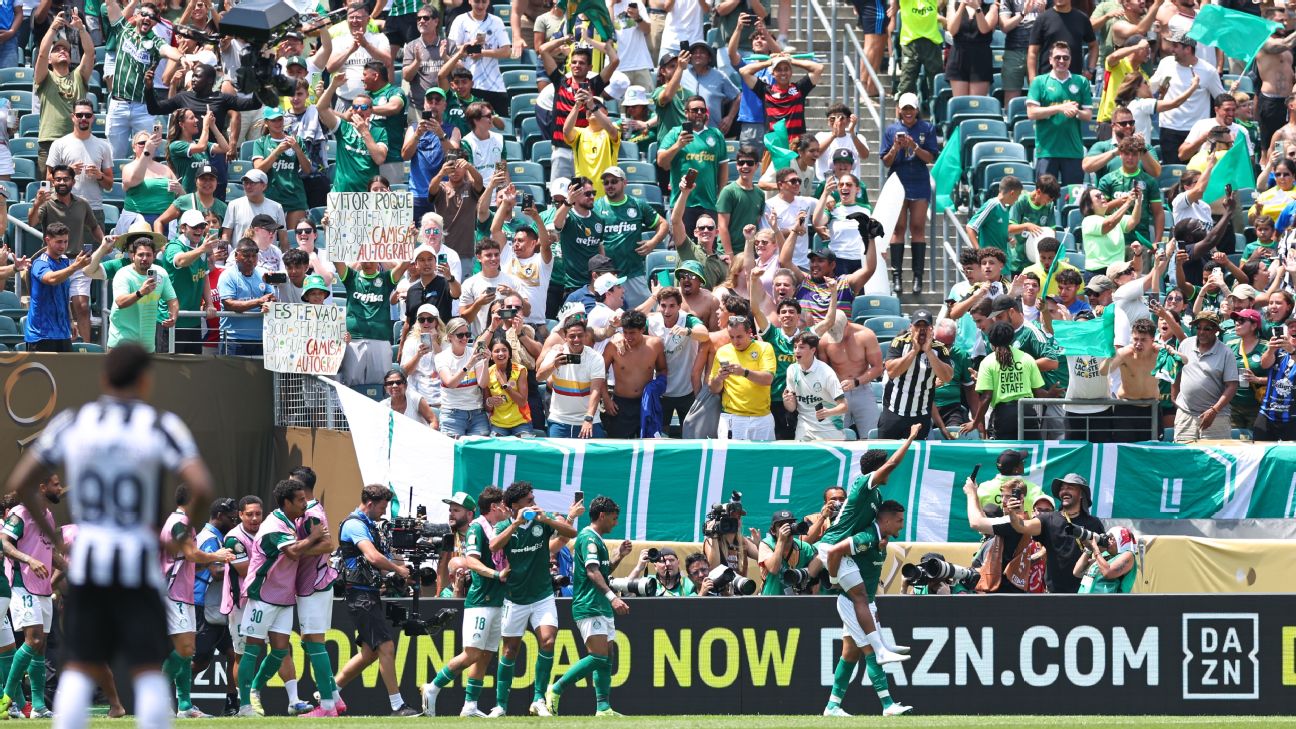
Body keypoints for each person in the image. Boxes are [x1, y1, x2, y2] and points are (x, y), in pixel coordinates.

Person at [6, 344, 213, 728]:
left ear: (103, 378)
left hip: (91, 562)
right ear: (146, 381)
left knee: (80, 665)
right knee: (148, 667)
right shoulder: (159, 425)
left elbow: (20, 482)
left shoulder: (74, 421)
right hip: (138, 559)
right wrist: (179, 539)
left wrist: (54, 535)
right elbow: (202, 486)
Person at [815, 430, 921, 667]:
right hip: (833, 545)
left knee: (868, 597)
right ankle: (880, 650)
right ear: (877, 469)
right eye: (884, 468)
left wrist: (881, 541)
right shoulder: (863, 485)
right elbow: (893, 463)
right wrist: (911, 437)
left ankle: (882, 644)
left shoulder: (877, 495)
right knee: (861, 596)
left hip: (845, 550)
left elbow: (879, 524)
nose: (889, 472)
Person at [487, 482, 580, 717]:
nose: (533, 503)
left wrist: (547, 521)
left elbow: (571, 533)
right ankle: (501, 705)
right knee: (510, 650)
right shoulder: (504, 526)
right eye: (528, 500)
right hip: (515, 598)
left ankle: (539, 699)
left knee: (548, 641)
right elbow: (493, 547)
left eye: (533, 498)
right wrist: (516, 523)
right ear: (514, 505)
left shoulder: (542, 519)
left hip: (542, 595)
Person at [331, 484, 419, 716]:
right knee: (386, 647)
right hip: (360, 596)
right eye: (382, 507)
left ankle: (330, 692)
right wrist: (398, 571)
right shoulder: (354, 524)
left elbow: (380, 562)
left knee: (370, 652)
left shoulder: (370, 525)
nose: (384, 512)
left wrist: (404, 573)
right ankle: (397, 705)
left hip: (368, 594)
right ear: (370, 504)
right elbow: (372, 556)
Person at [421, 488, 509, 717]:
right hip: (480, 600)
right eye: (503, 505)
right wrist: (496, 575)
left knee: (486, 655)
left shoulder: (497, 529)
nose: (506, 509)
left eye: (456, 509)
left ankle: (470, 705)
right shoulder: (478, 529)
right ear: (494, 507)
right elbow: (471, 561)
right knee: (471, 654)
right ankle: (433, 687)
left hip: (497, 600)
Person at [821, 500, 912, 717]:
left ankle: (832, 707)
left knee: (850, 654)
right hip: (851, 604)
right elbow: (834, 551)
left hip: (866, 603)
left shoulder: (880, 541)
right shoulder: (866, 537)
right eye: (899, 521)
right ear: (886, 520)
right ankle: (888, 705)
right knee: (872, 651)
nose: (901, 525)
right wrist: (834, 580)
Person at [544, 496, 631, 717]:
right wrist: (613, 598)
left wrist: (619, 555)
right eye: (613, 518)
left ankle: (603, 707)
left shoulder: (597, 539)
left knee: (607, 656)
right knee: (598, 656)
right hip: (589, 605)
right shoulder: (588, 538)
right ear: (602, 516)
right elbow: (592, 573)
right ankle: (555, 689)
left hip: (599, 605)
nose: (615, 522)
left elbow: (601, 570)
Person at [159, 486, 234, 719]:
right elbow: (192, 554)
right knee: (185, 649)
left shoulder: (185, 524)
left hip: (185, 595)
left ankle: (184, 706)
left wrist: (206, 560)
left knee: (187, 651)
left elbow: (190, 561)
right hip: (173, 594)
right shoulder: (179, 523)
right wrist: (216, 556)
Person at [102, 0, 186, 159]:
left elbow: (168, 50)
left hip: (144, 108)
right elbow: (110, 3)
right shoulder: (123, 30)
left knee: (148, 155)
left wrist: (182, 58)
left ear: (155, 22)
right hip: (118, 105)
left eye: (152, 17)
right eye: (144, 14)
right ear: (137, 15)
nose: (147, 18)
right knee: (114, 157)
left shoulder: (155, 41)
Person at [1007, 473, 1107, 593]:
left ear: (1081, 494)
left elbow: (1105, 555)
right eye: (1062, 488)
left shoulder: (1094, 523)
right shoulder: (1048, 519)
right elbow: (1021, 527)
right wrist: (1012, 513)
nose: (1064, 491)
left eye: (1070, 488)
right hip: (1054, 594)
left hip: (1086, 593)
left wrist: (1091, 553)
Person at [882, 93, 939, 294]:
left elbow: (930, 157)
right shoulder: (891, 130)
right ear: (899, 109)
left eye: (911, 108)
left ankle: (917, 277)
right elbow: (886, 161)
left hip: (919, 180)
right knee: (898, 228)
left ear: (916, 110)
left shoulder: (927, 128)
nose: (907, 112)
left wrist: (914, 146)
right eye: (904, 108)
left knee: (917, 227)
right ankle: (896, 276)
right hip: (898, 179)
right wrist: (896, 148)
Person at [1149, 32, 1226, 165]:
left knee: (1195, 173)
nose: (1171, 49)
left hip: (1196, 131)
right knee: (1172, 172)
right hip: (1169, 128)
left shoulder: (1208, 70)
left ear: (1188, 49)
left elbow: (1220, 98)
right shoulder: (1165, 64)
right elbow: (1151, 88)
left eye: (1175, 46)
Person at [34, 14, 94, 178]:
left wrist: (81, 28)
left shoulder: (78, 76)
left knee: (77, 189)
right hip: (49, 142)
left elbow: (89, 53)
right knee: (49, 192)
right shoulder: (45, 78)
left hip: (77, 141)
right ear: (49, 59)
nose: (62, 51)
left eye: (65, 50)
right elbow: (41, 54)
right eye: (57, 50)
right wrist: (53, 28)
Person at [878, 309, 954, 438]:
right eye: (918, 325)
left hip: (920, 415)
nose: (921, 329)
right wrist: (914, 351)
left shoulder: (940, 348)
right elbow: (891, 372)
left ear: (932, 328)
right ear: (911, 327)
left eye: (926, 326)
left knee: (917, 456)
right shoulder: (900, 342)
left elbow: (947, 377)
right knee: (885, 454)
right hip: (894, 411)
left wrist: (929, 352)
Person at [966, 321, 1048, 439]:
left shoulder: (987, 362)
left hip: (1004, 416)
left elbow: (986, 397)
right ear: (1012, 339)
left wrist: (975, 423)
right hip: (1028, 413)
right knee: (1032, 451)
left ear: (991, 341)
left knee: (1004, 453)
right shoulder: (1027, 358)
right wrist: (1051, 394)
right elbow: (1039, 393)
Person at [1026, 41, 1093, 185]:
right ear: (1050, 60)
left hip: (1073, 151)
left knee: (1073, 199)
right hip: (1047, 151)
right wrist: (1060, 108)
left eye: (1065, 58)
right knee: (1044, 199)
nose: (1061, 61)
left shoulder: (1081, 81)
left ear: (1070, 60)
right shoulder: (1039, 82)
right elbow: (1031, 113)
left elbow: (1087, 115)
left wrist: (1075, 112)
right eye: (1057, 57)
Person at [657, 96, 728, 229]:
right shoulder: (675, 133)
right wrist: (678, 145)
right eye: (695, 110)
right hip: (682, 204)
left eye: (703, 110)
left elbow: (723, 167)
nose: (700, 113)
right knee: (682, 247)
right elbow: (661, 162)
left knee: (708, 247)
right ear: (686, 112)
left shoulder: (716, 134)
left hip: (709, 204)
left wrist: (720, 195)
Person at [1173, 310, 1240, 442]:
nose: (1202, 332)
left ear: (1216, 330)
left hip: (1217, 417)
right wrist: (1174, 398)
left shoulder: (1226, 352)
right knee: (1182, 457)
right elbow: (1177, 372)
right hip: (1186, 414)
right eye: (1199, 328)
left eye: (1207, 328)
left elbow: (1232, 386)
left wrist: (1214, 410)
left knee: (1215, 460)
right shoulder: (1185, 344)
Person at [537, 315, 608, 438]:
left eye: (580, 335)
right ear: (565, 337)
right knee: (557, 457)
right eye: (572, 336)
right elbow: (539, 377)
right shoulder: (555, 353)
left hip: (588, 419)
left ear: (585, 335)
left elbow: (595, 390)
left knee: (593, 457)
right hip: (559, 420)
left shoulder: (595, 358)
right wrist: (554, 365)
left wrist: (589, 418)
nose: (576, 339)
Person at [709, 311, 777, 441]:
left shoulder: (764, 348)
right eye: (731, 336)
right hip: (732, 417)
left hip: (761, 418)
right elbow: (713, 389)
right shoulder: (723, 351)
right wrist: (719, 378)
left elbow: (768, 379)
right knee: (731, 460)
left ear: (749, 332)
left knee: (763, 460)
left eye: (739, 336)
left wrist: (745, 372)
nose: (735, 341)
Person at [317, 74, 389, 194]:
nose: (360, 110)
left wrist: (364, 131)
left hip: (366, 196)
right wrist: (333, 86)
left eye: (364, 107)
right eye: (356, 107)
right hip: (341, 193)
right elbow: (321, 108)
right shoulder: (343, 127)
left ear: (371, 110)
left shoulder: (379, 131)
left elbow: (379, 159)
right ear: (352, 110)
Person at [108, 232, 178, 353]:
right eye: (140, 255)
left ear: (154, 256)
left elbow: (172, 300)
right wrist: (140, 292)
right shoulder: (123, 274)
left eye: (148, 255)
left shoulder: (161, 273)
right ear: (133, 256)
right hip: (121, 345)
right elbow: (120, 302)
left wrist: (173, 316)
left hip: (147, 347)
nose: (144, 258)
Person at [26, 222, 90, 352]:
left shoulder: (65, 261)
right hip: (41, 335)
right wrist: (75, 266)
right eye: (59, 242)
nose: (63, 246)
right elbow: (51, 279)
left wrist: (70, 320)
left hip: (62, 332)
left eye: (65, 242)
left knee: (65, 372)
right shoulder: (40, 263)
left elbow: (64, 295)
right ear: (47, 240)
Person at [602, 311, 667, 438]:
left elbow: (662, 370)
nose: (628, 337)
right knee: (620, 449)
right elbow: (599, 374)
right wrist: (606, 400)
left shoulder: (655, 345)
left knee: (648, 448)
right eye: (625, 332)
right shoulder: (613, 346)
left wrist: (656, 388)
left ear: (642, 329)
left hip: (646, 403)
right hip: (621, 405)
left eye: (632, 333)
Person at [783, 331, 850, 440]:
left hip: (829, 428)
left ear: (813, 350)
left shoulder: (826, 373)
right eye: (795, 347)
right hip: (804, 427)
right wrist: (787, 401)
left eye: (801, 347)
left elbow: (844, 406)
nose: (796, 351)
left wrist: (828, 412)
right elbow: (791, 408)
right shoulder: (792, 370)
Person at [216, 239, 276, 357]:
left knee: (259, 376)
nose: (251, 259)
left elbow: (271, 298)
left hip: (260, 337)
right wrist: (259, 301)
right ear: (236, 256)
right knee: (232, 375)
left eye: (254, 256)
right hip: (233, 338)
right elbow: (229, 304)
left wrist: (269, 303)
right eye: (246, 256)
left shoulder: (264, 274)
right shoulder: (227, 275)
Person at [944, 0, 998, 98]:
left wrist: (977, 8)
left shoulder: (991, 7)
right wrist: (961, 6)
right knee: (960, 103)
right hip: (958, 58)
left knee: (977, 104)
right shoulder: (953, 5)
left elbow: (984, 29)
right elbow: (952, 30)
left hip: (980, 58)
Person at [482, 334, 533, 437]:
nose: (501, 354)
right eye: (496, 351)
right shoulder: (487, 372)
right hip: (498, 424)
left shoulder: (520, 370)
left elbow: (522, 402)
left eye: (504, 350)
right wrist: (489, 401)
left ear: (509, 354)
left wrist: (505, 385)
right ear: (491, 355)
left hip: (521, 422)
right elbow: (488, 408)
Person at [1255, 323, 1296, 440]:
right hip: (1267, 414)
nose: (1294, 328)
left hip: (1293, 418)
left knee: (1290, 457)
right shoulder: (1279, 350)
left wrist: (1292, 352)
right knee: (1260, 453)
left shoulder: (1290, 350)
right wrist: (1270, 350)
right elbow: (1264, 364)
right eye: (1291, 326)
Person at [1075, 526, 1138, 593]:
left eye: (1111, 538)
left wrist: (1095, 549)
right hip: (1085, 600)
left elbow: (1107, 572)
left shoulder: (1128, 555)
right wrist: (1088, 549)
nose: (1108, 541)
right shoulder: (1105, 556)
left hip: (1108, 602)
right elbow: (1078, 572)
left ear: (1121, 540)